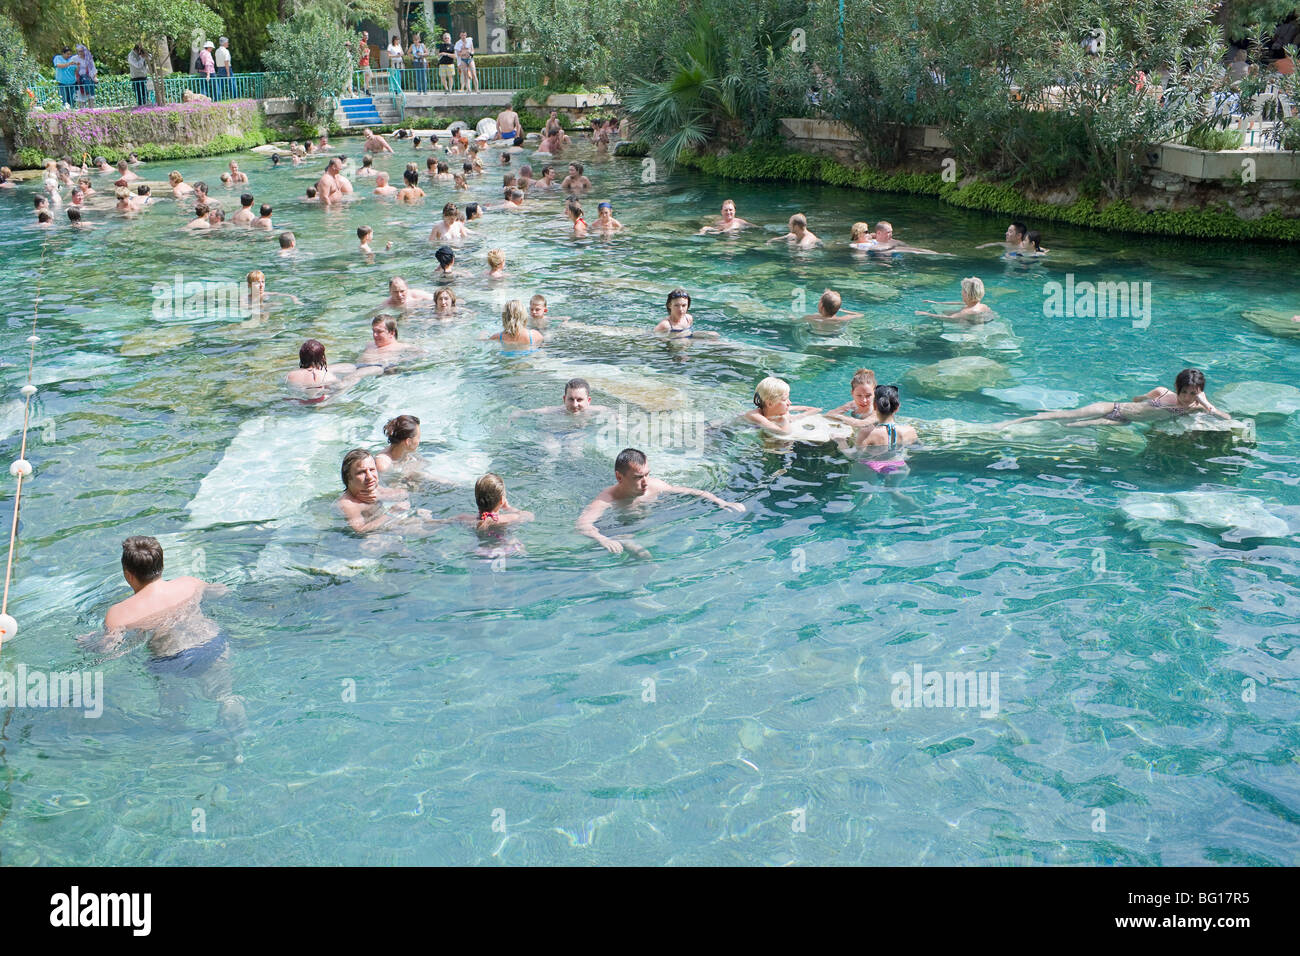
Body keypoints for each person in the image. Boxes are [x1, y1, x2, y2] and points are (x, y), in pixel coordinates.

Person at [98, 536, 244, 737]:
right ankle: (232, 718)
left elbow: (108, 650)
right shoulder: (189, 584)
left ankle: (181, 731)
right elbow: (220, 592)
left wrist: (89, 642)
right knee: (223, 695)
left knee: (174, 710)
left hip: (172, 660)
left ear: (128, 575)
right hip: (212, 643)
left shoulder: (119, 613)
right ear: (162, 565)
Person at [577, 448, 745, 555]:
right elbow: (582, 525)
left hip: (642, 525)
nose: (645, 482)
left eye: (647, 474)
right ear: (619, 477)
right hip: (617, 530)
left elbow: (692, 492)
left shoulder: (654, 486)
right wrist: (604, 540)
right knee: (644, 556)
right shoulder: (607, 499)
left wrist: (721, 502)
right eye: (638, 477)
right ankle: (638, 591)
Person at [1006, 369, 1230, 426]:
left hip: (1123, 422)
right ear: (1176, 388)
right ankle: (1019, 420)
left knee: (1071, 426)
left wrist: (1206, 403)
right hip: (1112, 408)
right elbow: (1136, 399)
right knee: (1066, 415)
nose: (1188, 398)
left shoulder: (1196, 407)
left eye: (1193, 394)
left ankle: (1032, 421)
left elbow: (1225, 417)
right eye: (1185, 393)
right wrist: (1144, 401)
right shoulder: (1163, 392)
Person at [337, 449, 437, 533]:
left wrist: (380, 496)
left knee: (424, 518)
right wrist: (392, 512)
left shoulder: (373, 488)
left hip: (385, 525)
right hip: (370, 539)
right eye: (361, 472)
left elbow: (404, 495)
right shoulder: (348, 504)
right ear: (349, 477)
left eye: (372, 470)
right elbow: (360, 531)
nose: (370, 477)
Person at [287, 339, 378, 401]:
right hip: (322, 402)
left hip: (301, 402)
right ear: (322, 357)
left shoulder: (290, 375)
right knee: (355, 377)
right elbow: (339, 388)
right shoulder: (327, 376)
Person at [744, 376, 823, 435]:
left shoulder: (781, 409)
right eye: (785, 400)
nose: (790, 403)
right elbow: (785, 432)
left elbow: (816, 410)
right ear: (770, 403)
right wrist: (785, 419)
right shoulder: (755, 416)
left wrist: (796, 417)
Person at [851, 385, 918, 450]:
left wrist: (841, 441)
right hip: (900, 461)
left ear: (874, 406)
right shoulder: (910, 431)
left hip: (873, 461)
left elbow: (857, 456)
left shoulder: (866, 433)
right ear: (897, 407)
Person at [916, 276, 994, 322]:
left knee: (947, 314)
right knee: (945, 311)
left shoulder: (966, 311)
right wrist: (936, 302)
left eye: (963, 290)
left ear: (967, 294)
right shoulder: (983, 306)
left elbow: (950, 318)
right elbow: (957, 303)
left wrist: (925, 314)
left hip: (969, 329)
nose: (961, 292)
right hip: (974, 320)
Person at [654, 288, 719, 339]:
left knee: (714, 335)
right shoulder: (665, 325)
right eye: (676, 305)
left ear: (688, 306)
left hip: (688, 339)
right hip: (676, 345)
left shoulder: (688, 318)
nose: (680, 309)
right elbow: (656, 338)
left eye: (684, 305)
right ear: (669, 305)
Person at [521, 378, 608, 416]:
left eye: (579, 400)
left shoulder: (597, 410)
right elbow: (525, 412)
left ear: (588, 400)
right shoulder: (555, 411)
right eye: (571, 399)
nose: (575, 404)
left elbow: (613, 413)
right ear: (564, 399)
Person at [361, 314, 425, 365]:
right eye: (374, 331)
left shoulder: (401, 347)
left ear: (391, 333)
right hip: (360, 366)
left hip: (380, 369)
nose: (374, 335)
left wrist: (402, 360)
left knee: (357, 374)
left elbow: (423, 354)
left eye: (379, 332)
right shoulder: (370, 345)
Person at [869, 220, 939, 254]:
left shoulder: (895, 242)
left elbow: (912, 248)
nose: (891, 234)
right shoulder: (871, 243)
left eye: (891, 232)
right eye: (888, 232)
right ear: (879, 233)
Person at [74, 44, 98, 108]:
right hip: (79, 79)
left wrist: (95, 77)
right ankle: (82, 112)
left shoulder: (89, 58)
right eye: (79, 51)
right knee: (81, 97)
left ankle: (91, 111)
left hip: (89, 78)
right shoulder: (75, 58)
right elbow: (72, 68)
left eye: (82, 51)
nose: (81, 53)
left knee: (91, 96)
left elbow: (93, 68)